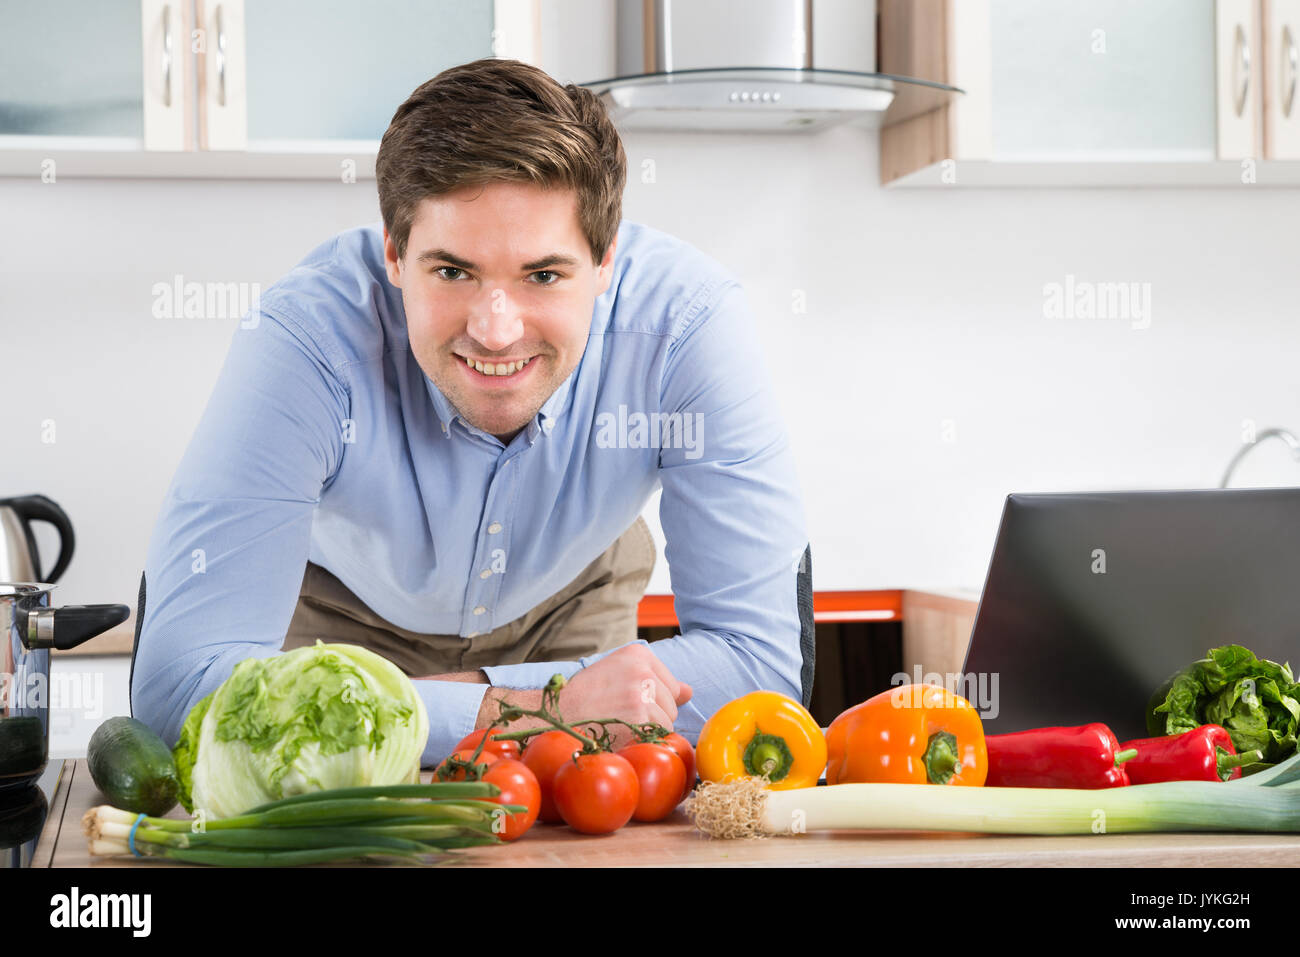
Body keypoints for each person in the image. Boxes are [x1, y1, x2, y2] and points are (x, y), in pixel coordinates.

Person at [130, 57, 811, 767]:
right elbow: (181, 692)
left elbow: (762, 669)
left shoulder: (687, 326)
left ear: (606, 260)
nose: (494, 330)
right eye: (452, 271)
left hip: (571, 605)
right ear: (395, 254)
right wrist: (531, 708)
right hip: (342, 625)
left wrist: (464, 703)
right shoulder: (305, 342)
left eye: (543, 275)